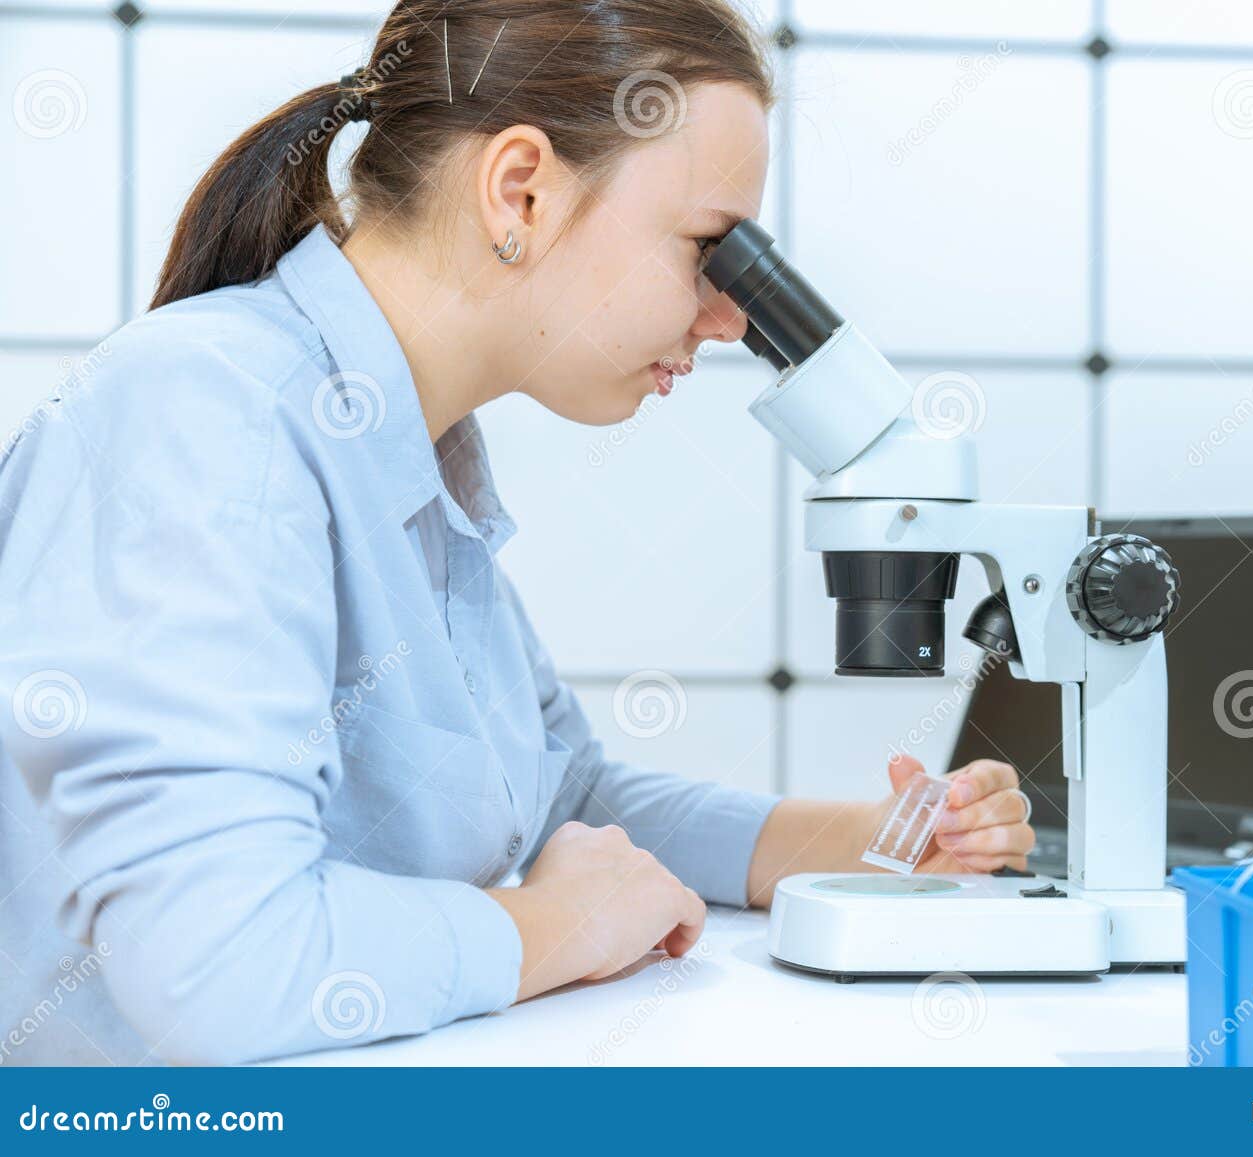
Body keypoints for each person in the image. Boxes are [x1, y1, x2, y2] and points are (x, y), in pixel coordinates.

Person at [0, 0, 1034, 1065]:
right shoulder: (206, 410)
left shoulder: (413, 460)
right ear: (520, 189)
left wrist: (865, 841)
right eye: (707, 249)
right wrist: (559, 925)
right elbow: (221, 963)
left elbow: (563, 799)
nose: (728, 319)